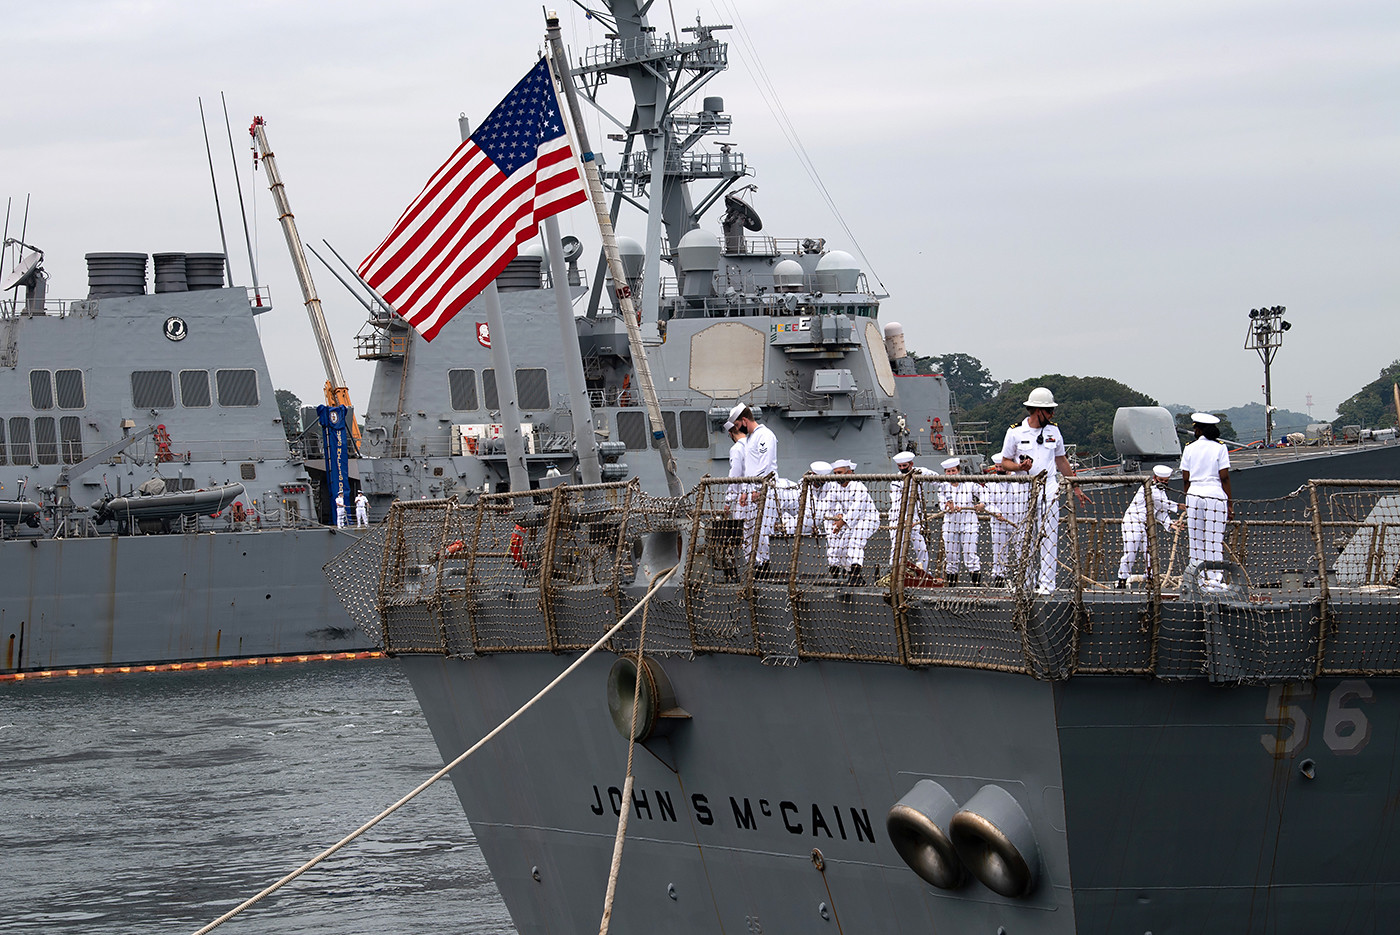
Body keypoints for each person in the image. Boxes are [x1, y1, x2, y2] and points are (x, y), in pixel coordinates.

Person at [997, 387, 1088, 593]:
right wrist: (1020, 467)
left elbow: (1061, 460)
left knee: (1049, 536)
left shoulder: (1054, 431)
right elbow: (1004, 462)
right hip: (1023, 491)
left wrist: (1076, 486)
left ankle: (1047, 585)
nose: (1052, 414)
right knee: (1023, 539)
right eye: (1049, 411)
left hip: (1049, 489)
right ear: (1037, 410)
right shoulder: (1015, 432)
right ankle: (1026, 583)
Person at [1179, 412, 1232, 589]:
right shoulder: (1220, 447)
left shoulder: (1189, 448)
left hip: (1194, 493)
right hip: (1214, 493)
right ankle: (1215, 579)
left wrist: (1189, 499)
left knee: (1195, 538)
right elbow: (1224, 477)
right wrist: (1230, 503)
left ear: (1199, 429)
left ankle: (1198, 579)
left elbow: (1185, 479)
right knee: (1214, 538)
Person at [731, 404, 777, 573]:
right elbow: (748, 468)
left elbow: (765, 465)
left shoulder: (765, 435)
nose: (737, 429)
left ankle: (764, 566)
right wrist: (744, 491)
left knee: (762, 529)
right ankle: (754, 565)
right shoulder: (750, 439)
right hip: (751, 492)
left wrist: (758, 488)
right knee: (749, 530)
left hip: (764, 491)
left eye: (737, 425)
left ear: (744, 420)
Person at [1116, 465, 1179, 587]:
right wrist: (1182, 506)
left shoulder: (1161, 492)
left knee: (1150, 553)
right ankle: (1122, 580)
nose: (1164, 483)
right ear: (1155, 478)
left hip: (1145, 525)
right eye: (1162, 480)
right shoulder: (1148, 488)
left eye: (1166, 481)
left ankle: (1150, 578)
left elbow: (1160, 511)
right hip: (1132, 523)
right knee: (1130, 552)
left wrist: (1170, 524)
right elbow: (1163, 504)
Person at [824, 459, 878, 584]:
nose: (837, 476)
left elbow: (857, 508)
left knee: (855, 542)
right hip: (851, 522)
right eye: (835, 473)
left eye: (840, 473)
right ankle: (855, 576)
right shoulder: (835, 488)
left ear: (849, 472)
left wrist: (842, 521)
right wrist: (835, 516)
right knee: (841, 549)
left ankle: (855, 574)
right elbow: (829, 505)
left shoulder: (858, 487)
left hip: (868, 519)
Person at [978, 462, 1024, 588]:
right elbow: (987, 501)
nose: (999, 470)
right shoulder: (991, 484)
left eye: (1001, 467)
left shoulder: (1018, 480)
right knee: (999, 553)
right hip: (998, 522)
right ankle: (999, 580)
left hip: (1017, 521)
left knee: (1021, 551)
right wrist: (996, 512)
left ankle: (1024, 579)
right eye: (997, 467)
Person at [937, 457, 982, 585]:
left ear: (958, 470)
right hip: (950, 525)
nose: (951, 474)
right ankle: (951, 588)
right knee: (951, 558)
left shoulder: (969, 484)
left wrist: (981, 504)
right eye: (948, 471)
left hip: (969, 524)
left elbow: (984, 493)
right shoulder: (943, 487)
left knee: (970, 557)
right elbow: (942, 504)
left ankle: (977, 588)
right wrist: (947, 506)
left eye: (953, 471)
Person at [888, 451, 931, 571]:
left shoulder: (921, 472)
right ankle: (893, 572)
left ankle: (924, 572)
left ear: (911, 464)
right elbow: (897, 503)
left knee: (921, 547)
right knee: (897, 547)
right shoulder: (896, 481)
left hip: (915, 518)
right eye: (900, 466)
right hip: (897, 518)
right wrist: (905, 519)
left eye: (904, 466)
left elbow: (937, 479)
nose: (902, 469)